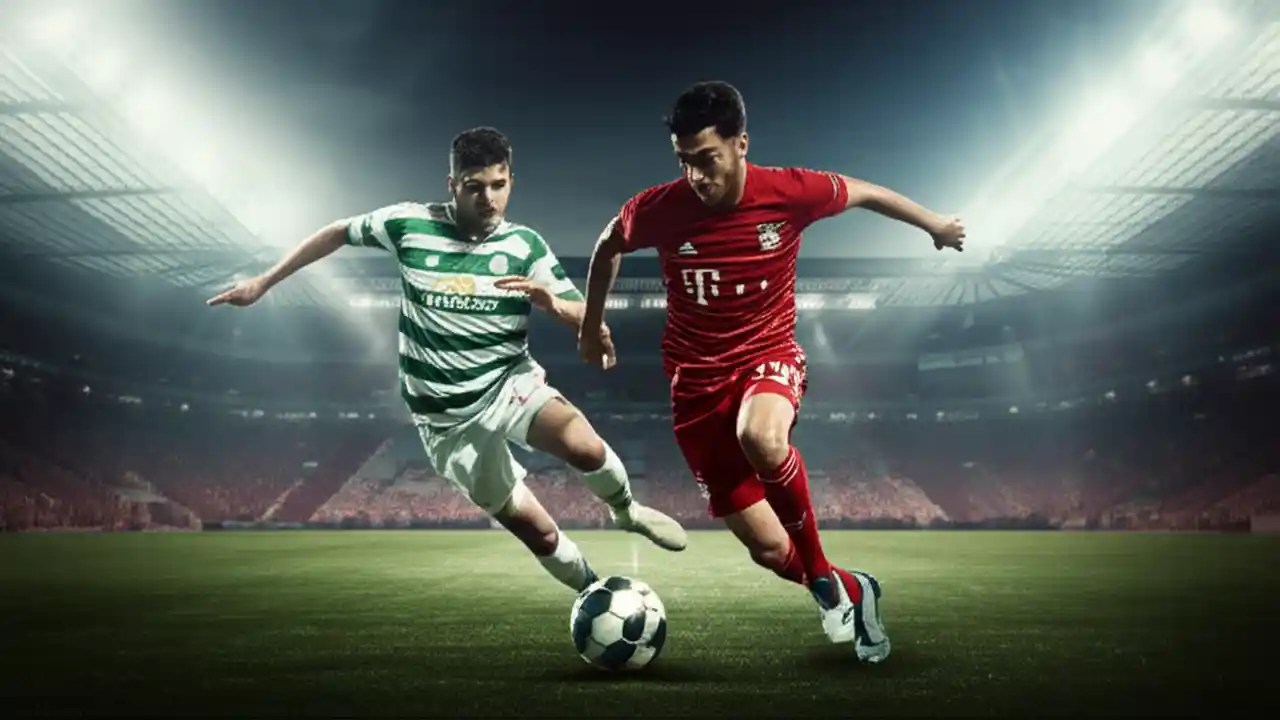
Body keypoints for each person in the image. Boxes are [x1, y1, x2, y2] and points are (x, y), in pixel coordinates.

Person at [577, 82, 965, 662]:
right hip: (694, 388)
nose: (697, 178)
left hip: (768, 353)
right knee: (766, 549)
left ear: (740, 144)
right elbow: (608, 245)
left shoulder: (787, 191)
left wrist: (933, 223)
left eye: (707, 161)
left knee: (760, 435)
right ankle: (853, 589)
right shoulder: (658, 209)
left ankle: (826, 589)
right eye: (685, 163)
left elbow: (863, 192)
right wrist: (590, 325)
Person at [208, 126, 688, 593]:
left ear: (511, 182)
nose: (489, 199)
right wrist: (263, 283)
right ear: (452, 185)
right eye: (474, 187)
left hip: (506, 385)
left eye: (499, 186)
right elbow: (337, 232)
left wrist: (553, 304)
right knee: (538, 533)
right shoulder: (408, 225)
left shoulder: (525, 246)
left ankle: (626, 512)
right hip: (446, 424)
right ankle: (591, 591)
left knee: (583, 444)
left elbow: (581, 309)